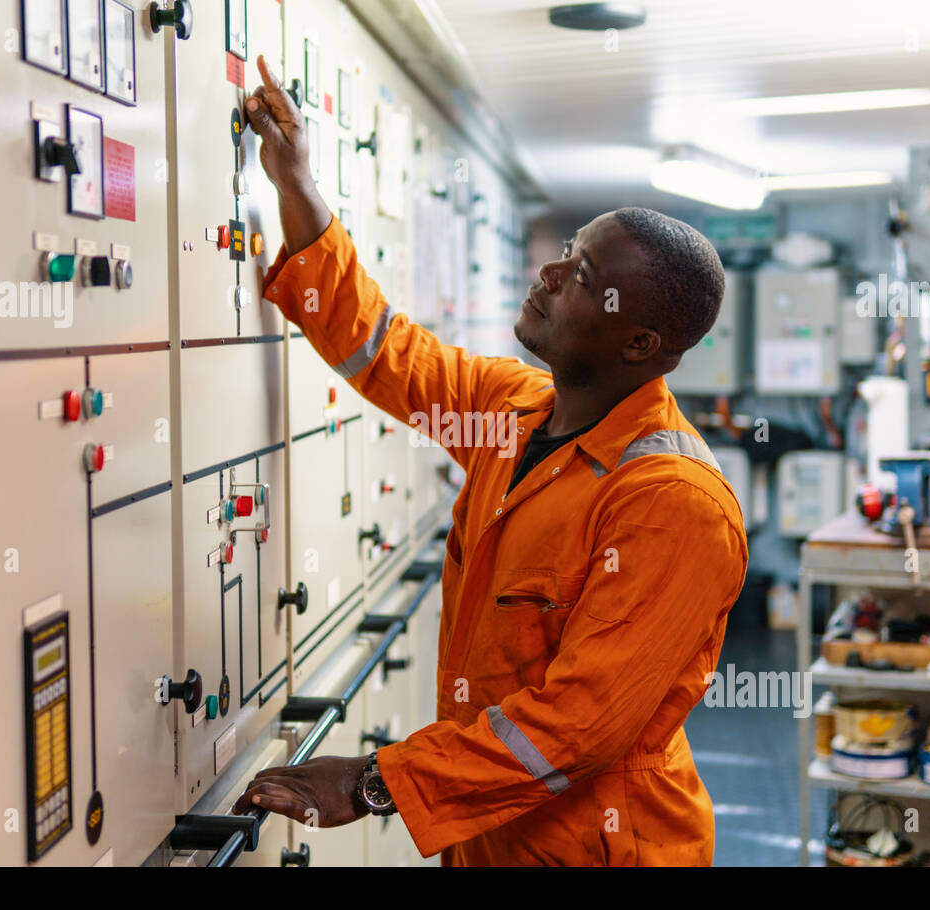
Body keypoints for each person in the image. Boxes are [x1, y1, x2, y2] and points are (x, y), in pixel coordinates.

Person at [231, 55, 748, 866]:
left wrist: (374, 784)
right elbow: (385, 353)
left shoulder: (672, 504)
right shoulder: (517, 410)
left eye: (580, 276)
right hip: (496, 832)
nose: (547, 274)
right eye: (568, 251)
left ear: (640, 343)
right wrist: (296, 185)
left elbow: (578, 724)